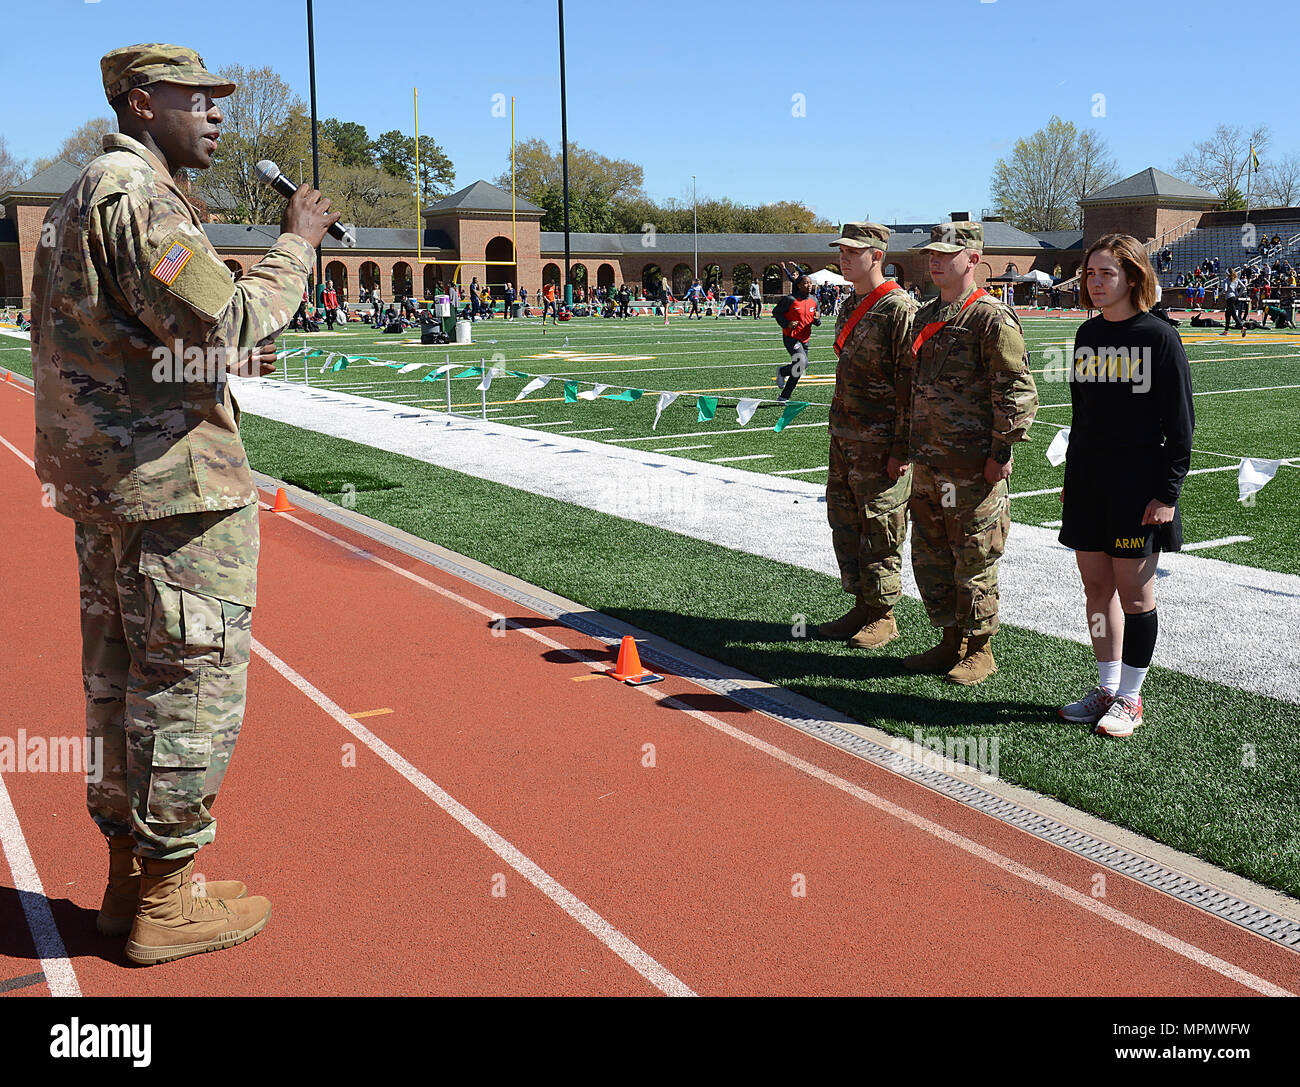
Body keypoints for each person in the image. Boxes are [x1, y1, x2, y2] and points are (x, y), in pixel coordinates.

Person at [31, 43, 339, 965]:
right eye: (194, 97)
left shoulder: (89, 194)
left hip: (115, 485)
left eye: (217, 98)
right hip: (174, 489)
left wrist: (209, 357)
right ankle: (166, 896)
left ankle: (133, 881)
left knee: (121, 682)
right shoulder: (138, 198)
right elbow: (231, 317)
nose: (214, 112)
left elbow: (138, 339)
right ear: (139, 102)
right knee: (188, 681)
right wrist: (298, 242)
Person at [1057, 234, 1194, 737]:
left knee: (1135, 594)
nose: (1094, 283)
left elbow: (1181, 424)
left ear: (1133, 277)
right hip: (1089, 480)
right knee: (1096, 588)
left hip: (1138, 484)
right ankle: (1107, 687)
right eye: (1090, 274)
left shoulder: (1160, 336)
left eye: (1106, 274)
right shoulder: (1087, 336)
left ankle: (1133, 698)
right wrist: (1073, 477)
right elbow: (1083, 415)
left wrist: (1168, 493)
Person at [898, 222, 1038, 684]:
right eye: (931, 254)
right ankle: (949, 640)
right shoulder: (924, 315)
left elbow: (1017, 392)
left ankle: (980, 649)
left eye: (945, 255)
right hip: (929, 464)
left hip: (973, 467)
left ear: (973, 260)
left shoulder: (991, 318)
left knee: (975, 556)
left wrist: (1000, 451)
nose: (934, 261)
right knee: (931, 553)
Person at [816, 223, 918, 649]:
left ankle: (884, 614)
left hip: (880, 444)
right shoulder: (851, 304)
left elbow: (910, 383)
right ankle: (862, 602)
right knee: (846, 521)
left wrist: (901, 447)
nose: (843, 257)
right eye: (841, 250)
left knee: (881, 526)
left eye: (852, 251)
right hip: (846, 436)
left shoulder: (899, 308)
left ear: (876, 256)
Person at [771, 273, 820, 401]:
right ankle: (782, 373)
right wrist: (787, 323)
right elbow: (776, 312)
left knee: (799, 368)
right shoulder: (790, 299)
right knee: (801, 363)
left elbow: (817, 320)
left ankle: (784, 395)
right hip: (791, 337)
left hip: (805, 338)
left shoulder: (814, 300)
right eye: (805, 283)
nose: (809, 286)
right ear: (798, 285)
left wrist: (817, 320)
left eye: (810, 283)